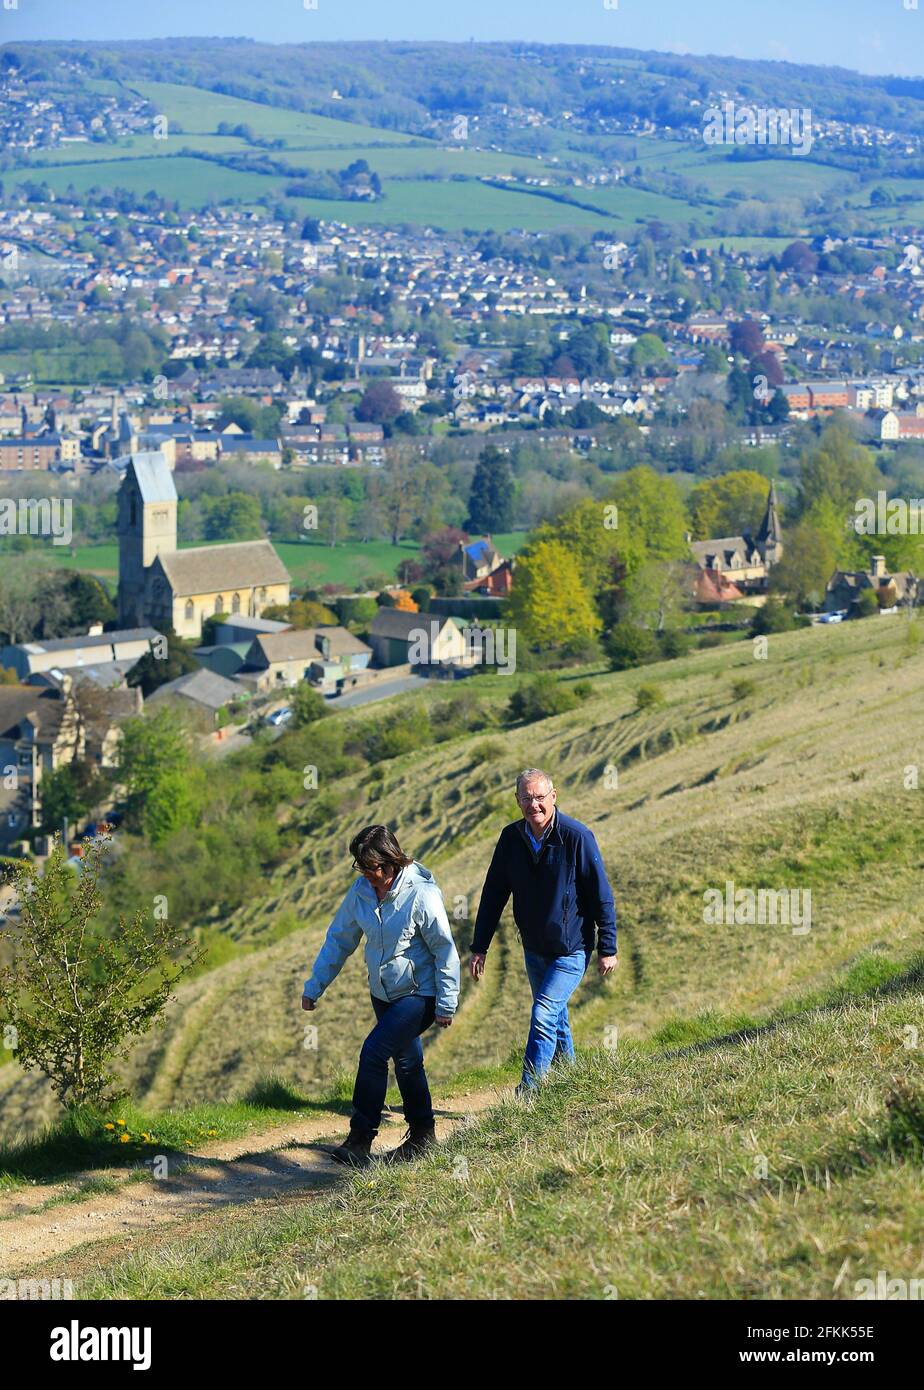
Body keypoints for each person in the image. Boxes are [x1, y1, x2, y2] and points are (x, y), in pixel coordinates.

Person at [302, 825, 460, 1167]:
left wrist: (446, 1002)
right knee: (407, 1062)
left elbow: (444, 950)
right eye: (362, 869)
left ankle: (360, 1138)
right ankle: (422, 1137)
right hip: (383, 993)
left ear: (391, 862)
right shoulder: (361, 892)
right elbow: (339, 940)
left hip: (421, 993)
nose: (369, 878)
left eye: (373, 870)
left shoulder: (422, 893)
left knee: (373, 1053)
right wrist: (315, 986)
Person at [469, 769, 617, 1094]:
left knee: (544, 1012)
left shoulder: (577, 837)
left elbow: (601, 894)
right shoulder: (511, 839)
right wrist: (480, 946)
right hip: (533, 949)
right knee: (555, 1017)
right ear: (517, 801)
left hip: (571, 949)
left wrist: (608, 946)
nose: (533, 804)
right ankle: (571, 1083)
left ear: (553, 796)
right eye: (526, 798)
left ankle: (528, 1095)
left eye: (539, 797)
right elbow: (494, 893)